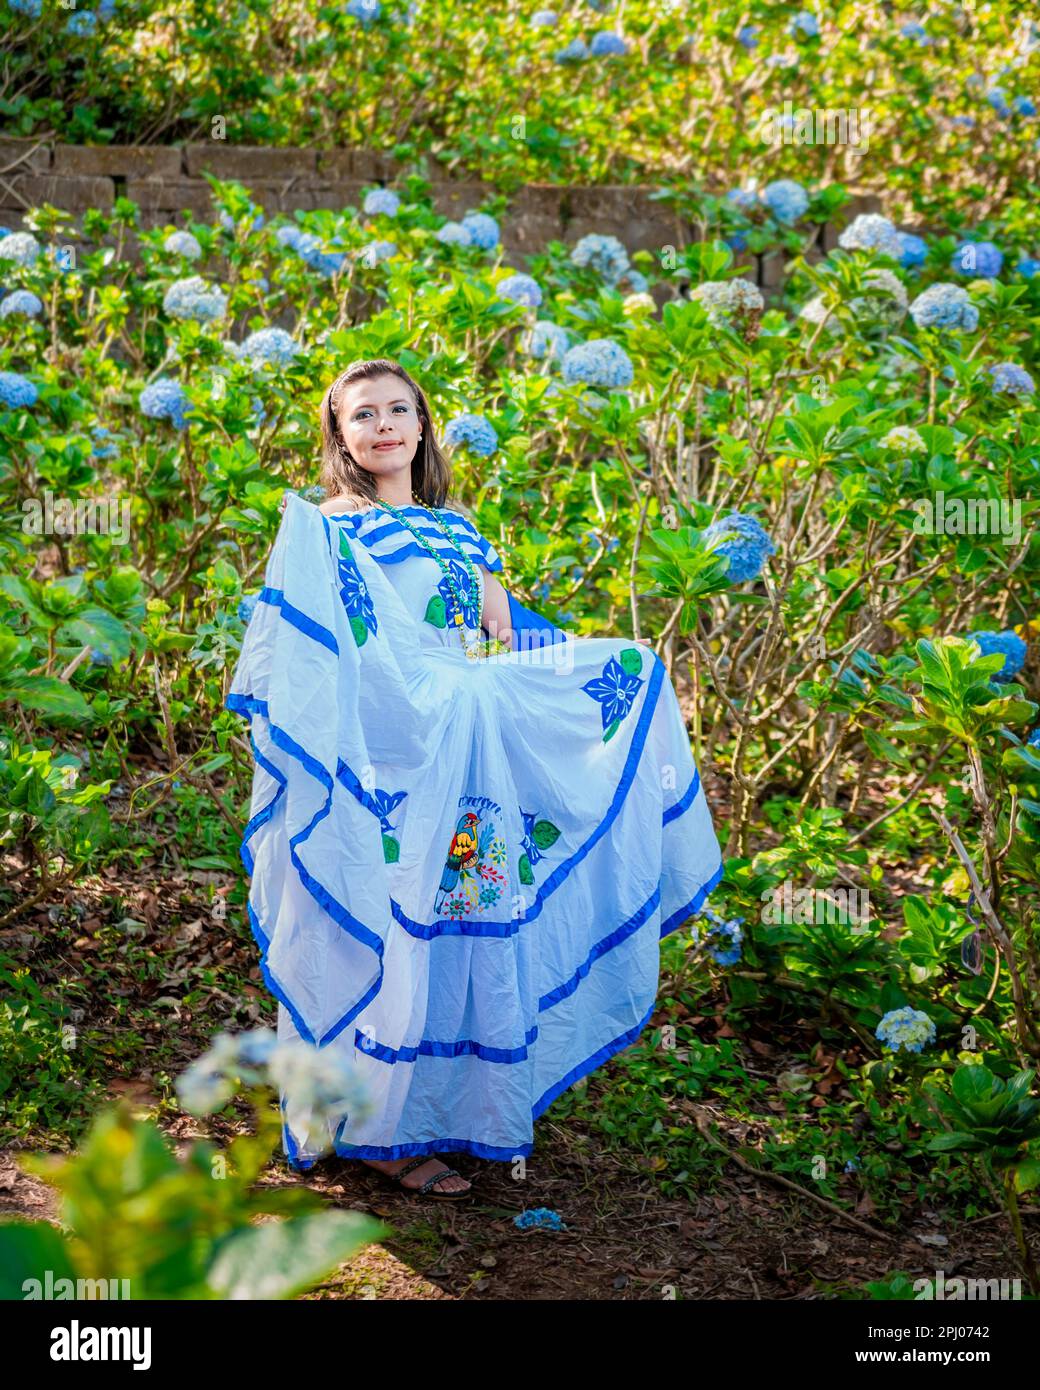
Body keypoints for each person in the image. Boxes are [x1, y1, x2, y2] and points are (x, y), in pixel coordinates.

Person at [228, 357, 724, 1200]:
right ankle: (374, 1133)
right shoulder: (328, 531)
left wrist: (602, 672)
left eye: (398, 409)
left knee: (462, 923)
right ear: (340, 435)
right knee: (394, 927)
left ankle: (439, 1114)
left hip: (472, 757)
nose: (383, 425)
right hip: (393, 756)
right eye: (362, 415)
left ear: (422, 426)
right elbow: (336, 651)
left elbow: (506, 637)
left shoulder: (459, 530)